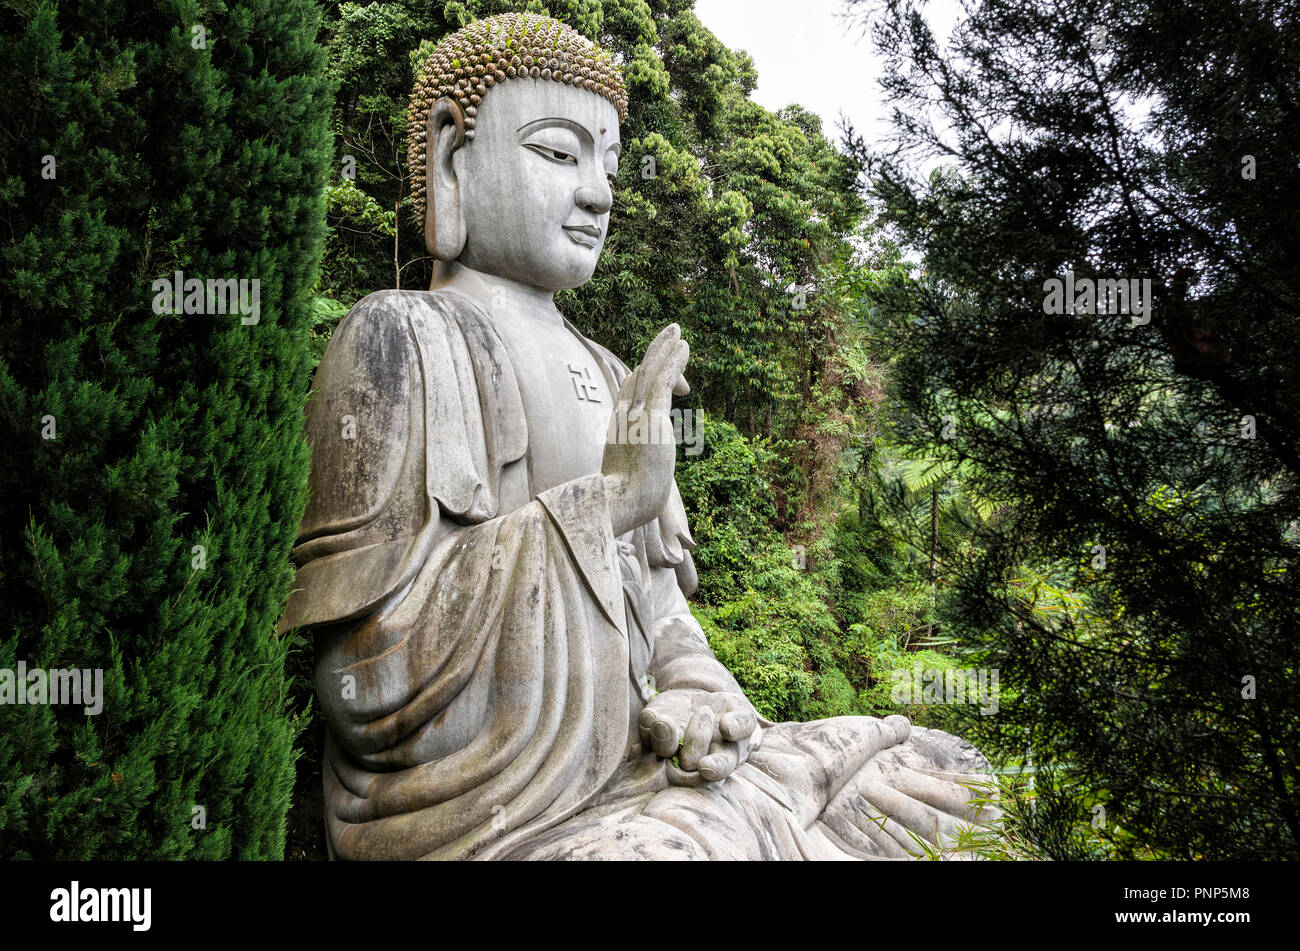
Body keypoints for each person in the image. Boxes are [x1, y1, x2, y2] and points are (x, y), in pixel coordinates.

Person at [280, 12, 997, 860]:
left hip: (648, 774)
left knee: (938, 771)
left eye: (610, 164)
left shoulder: (615, 371)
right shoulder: (400, 338)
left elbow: (664, 614)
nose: (598, 192)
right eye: (558, 152)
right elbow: (362, 681)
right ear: (449, 156)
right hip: (487, 812)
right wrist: (605, 503)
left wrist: (698, 691)